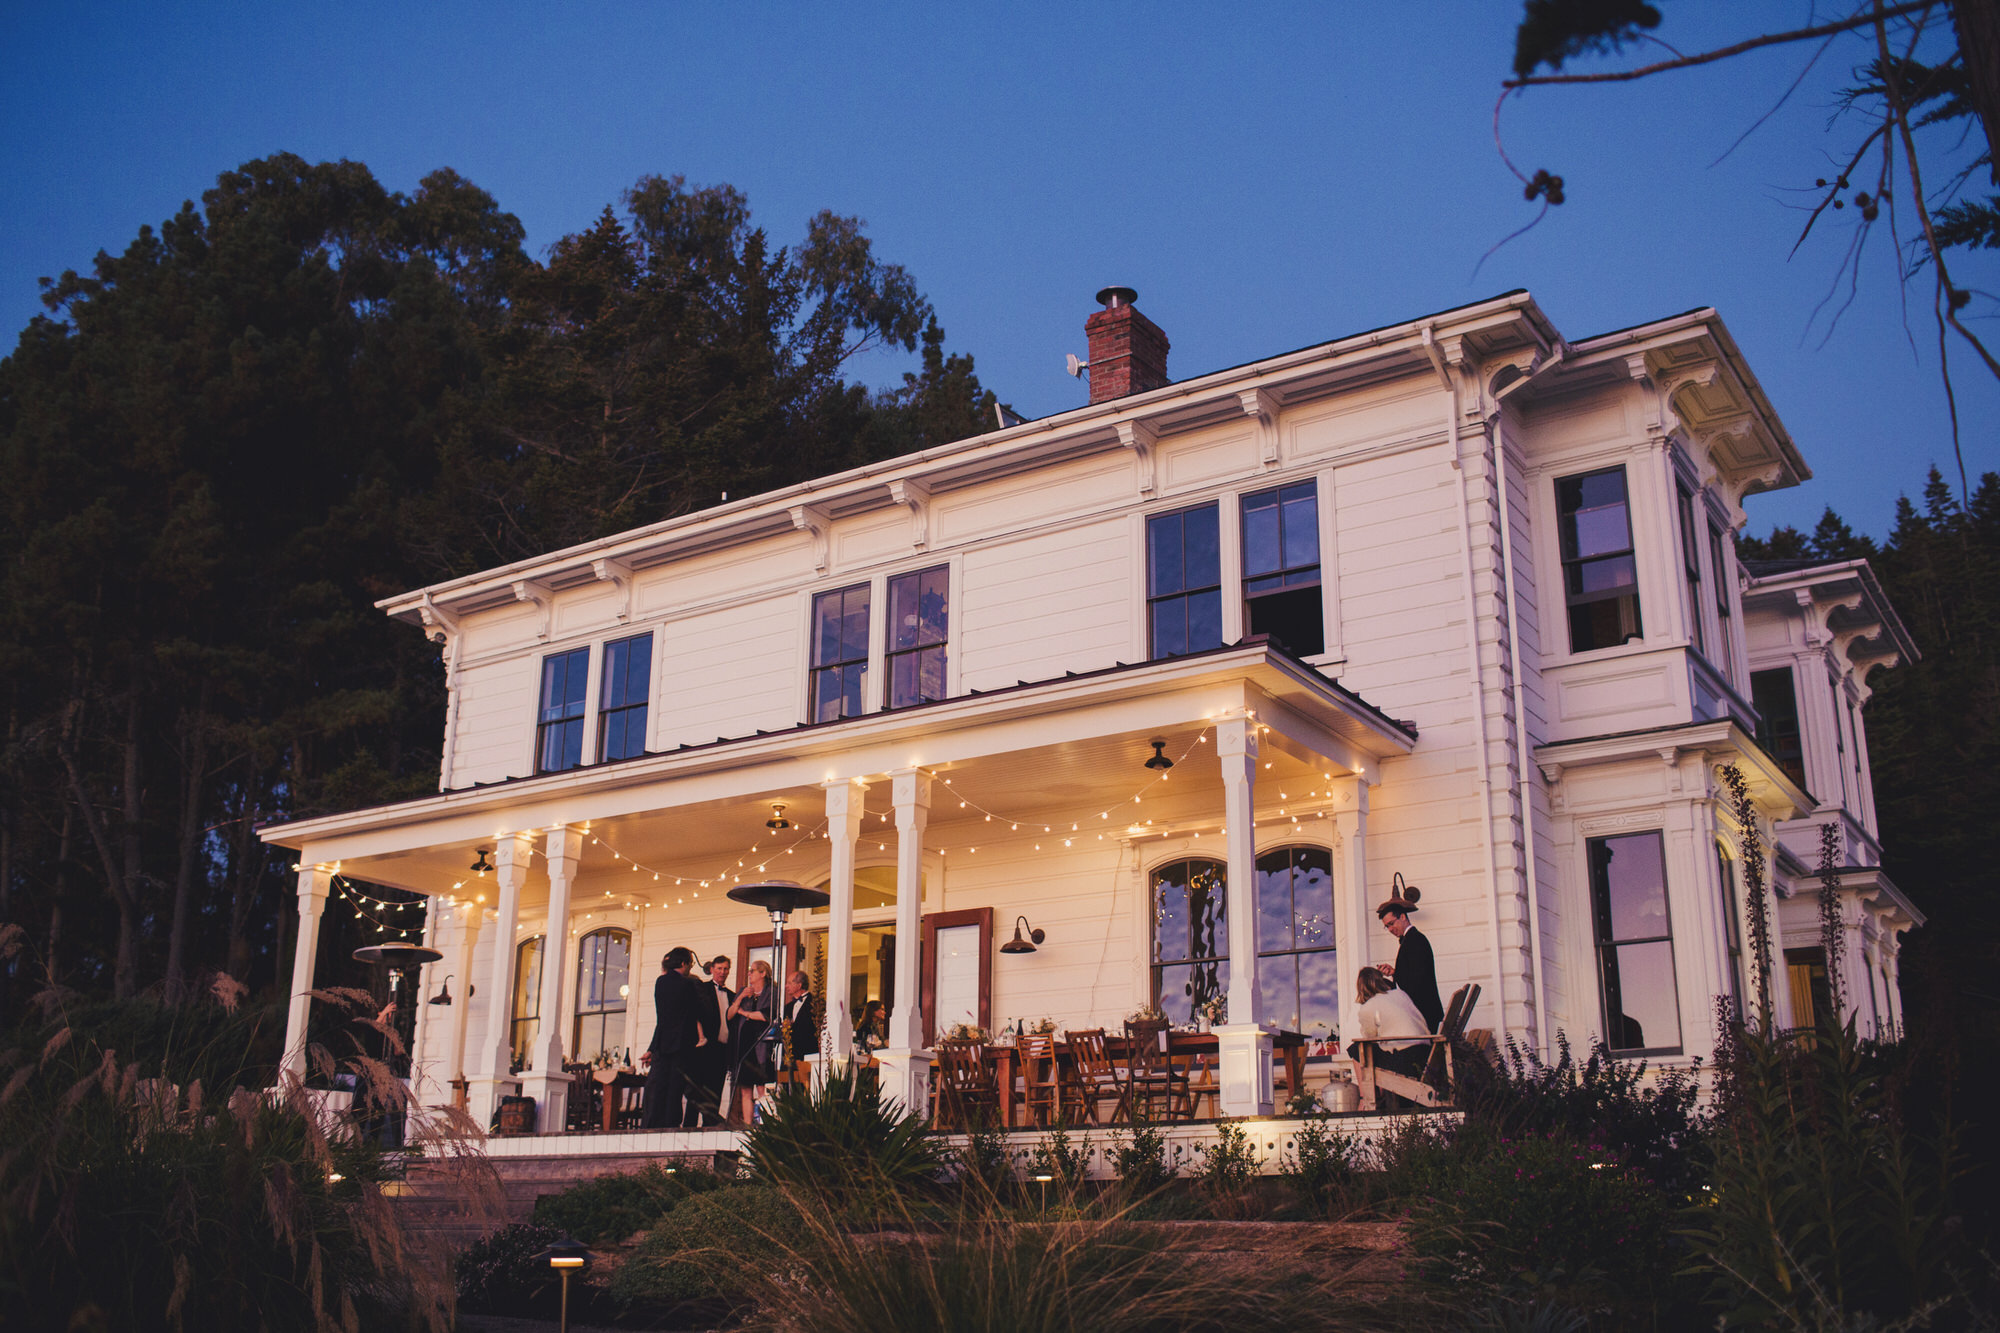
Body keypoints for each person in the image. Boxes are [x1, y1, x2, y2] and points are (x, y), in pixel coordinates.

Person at [642, 947, 704, 1129]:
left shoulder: (660, 983)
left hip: (663, 1042)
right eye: (690, 964)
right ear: (683, 963)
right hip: (682, 1043)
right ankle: (671, 1123)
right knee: (675, 1087)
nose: (690, 968)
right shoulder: (687, 985)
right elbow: (695, 1012)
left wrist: (653, 1047)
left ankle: (654, 1123)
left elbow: (662, 1018)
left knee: (659, 1085)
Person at [1346, 966, 1433, 1082]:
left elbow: (1369, 1038)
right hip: (1425, 1054)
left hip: (1405, 1061)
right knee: (1381, 1054)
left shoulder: (1368, 1007)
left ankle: (1366, 1097)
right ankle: (1380, 1094)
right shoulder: (1400, 994)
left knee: (1356, 1049)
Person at [1377, 882, 1444, 1031]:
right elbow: (1414, 972)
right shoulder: (1412, 940)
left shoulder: (1415, 940)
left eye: (1391, 924)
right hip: (1422, 1013)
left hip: (1424, 1014)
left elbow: (1418, 981)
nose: (1390, 929)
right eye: (1386, 926)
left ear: (1402, 917)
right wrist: (1395, 972)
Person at [726, 959, 777, 1123]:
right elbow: (729, 1015)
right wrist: (740, 998)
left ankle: (765, 1122)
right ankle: (747, 1125)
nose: (749, 973)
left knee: (762, 1086)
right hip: (744, 1044)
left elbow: (765, 1016)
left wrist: (744, 1013)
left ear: (762, 973)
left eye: (753, 970)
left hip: (762, 1045)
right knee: (745, 1088)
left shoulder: (771, 991)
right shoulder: (744, 992)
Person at [688, 956, 735, 1128]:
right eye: (719, 968)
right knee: (699, 1089)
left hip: (723, 1048)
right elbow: (695, 1014)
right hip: (705, 1047)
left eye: (726, 969)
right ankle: (690, 1127)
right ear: (712, 969)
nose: (723, 972)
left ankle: (710, 1128)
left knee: (716, 1089)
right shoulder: (703, 989)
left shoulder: (732, 995)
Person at [781, 969, 820, 1068]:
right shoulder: (788, 1007)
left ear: (799, 985)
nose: (786, 986)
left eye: (789, 983)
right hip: (791, 1057)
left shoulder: (815, 1004)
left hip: (808, 1055)